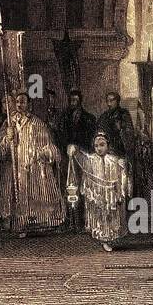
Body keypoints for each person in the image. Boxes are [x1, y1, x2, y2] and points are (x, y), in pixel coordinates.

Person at [0, 92, 66, 235]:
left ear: (29, 105)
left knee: (35, 193)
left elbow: (48, 147)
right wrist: (8, 137)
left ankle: (36, 223)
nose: (19, 105)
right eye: (17, 102)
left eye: (23, 102)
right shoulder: (8, 122)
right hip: (14, 168)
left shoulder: (37, 123)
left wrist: (39, 155)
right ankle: (16, 223)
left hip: (32, 168)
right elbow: (0, 151)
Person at [66, 131, 131, 250]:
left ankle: (109, 238)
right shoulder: (91, 160)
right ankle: (103, 240)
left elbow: (123, 176)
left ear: (108, 145)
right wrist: (74, 149)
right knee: (100, 217)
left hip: (110, 194)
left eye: (102, 145)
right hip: (98, 195)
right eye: (96, 146)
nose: (99, 148)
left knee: (110, 217)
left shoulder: (114, 160)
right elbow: (81, 157)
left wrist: (122, 191)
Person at [55, 90, 96, 231]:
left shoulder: (89, 119)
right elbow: (59, 137)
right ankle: (69, 221)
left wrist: (78, 148)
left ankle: (81, 221)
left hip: (81, 158)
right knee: (67, 188)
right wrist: (66, 146)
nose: (73, 103)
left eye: (76, 100)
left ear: (80, 101)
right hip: (67, 158)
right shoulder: (63, 118)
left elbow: (92, 140)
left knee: (81, 189)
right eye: (71, 100)